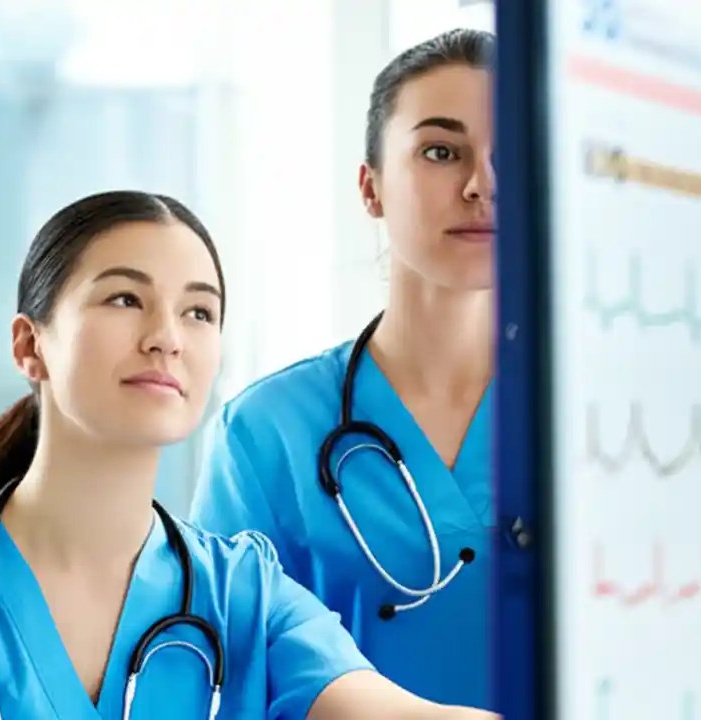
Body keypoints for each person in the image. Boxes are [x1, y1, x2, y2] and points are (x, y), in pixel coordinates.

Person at [0, 191, 499, 719]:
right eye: (125, 299)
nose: (166, 338)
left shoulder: (245, 592)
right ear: (29, 345)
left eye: (199, 313)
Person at [189, 28, 499, 710]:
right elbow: (225, 680)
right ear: (372, 187)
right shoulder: (268, 433)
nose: (483, 185)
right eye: (441, 152)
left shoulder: (599, 421)